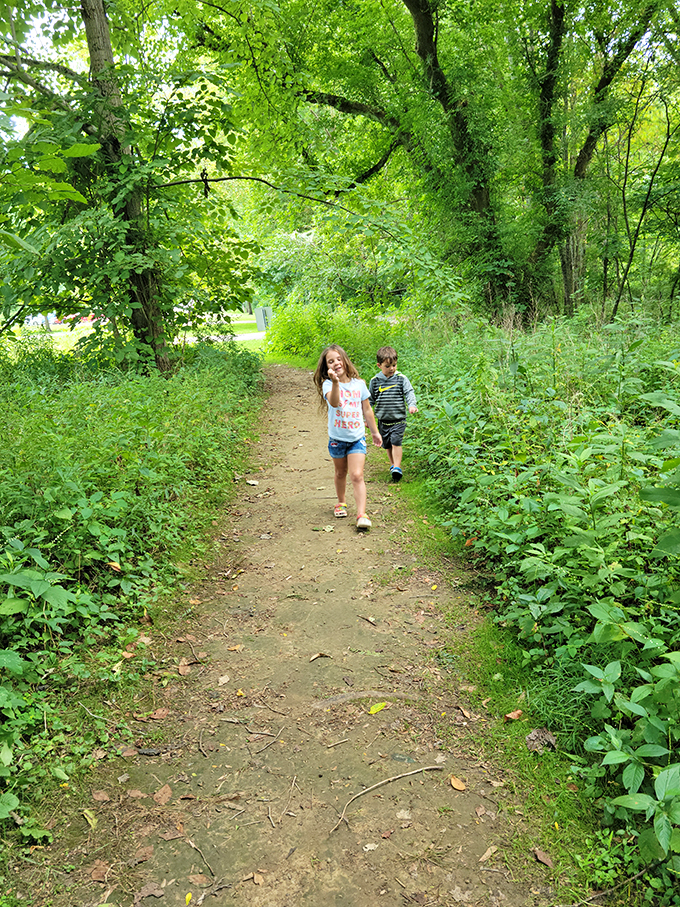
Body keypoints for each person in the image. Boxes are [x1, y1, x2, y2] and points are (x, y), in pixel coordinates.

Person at [313, 344, 382, 531]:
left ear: (344, 359)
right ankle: (341, 502)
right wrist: (335, 383)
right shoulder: (328, 384)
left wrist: (374, 432)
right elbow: (334, 403)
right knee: (340, 473)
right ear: (326, 367)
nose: (336, 363)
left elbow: (367, 409)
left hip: (357, 438)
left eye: (338, 359)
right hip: (337, 438)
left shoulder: (359, 384)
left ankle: (362, 514)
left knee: (357, 475)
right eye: (330, 361)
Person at [368, 345, 418, 482]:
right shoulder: (375, 381)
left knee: (396, 441)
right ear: (379, 365)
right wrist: (366, 418)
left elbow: (409, 392)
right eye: (388, 366)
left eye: (394, 365)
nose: (392, 369)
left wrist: (412, 405)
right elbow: (369, 401)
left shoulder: (401, 379)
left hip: (398, 419)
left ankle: (397, 467)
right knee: (387, 444)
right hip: (383, 420)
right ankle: (393, 465)